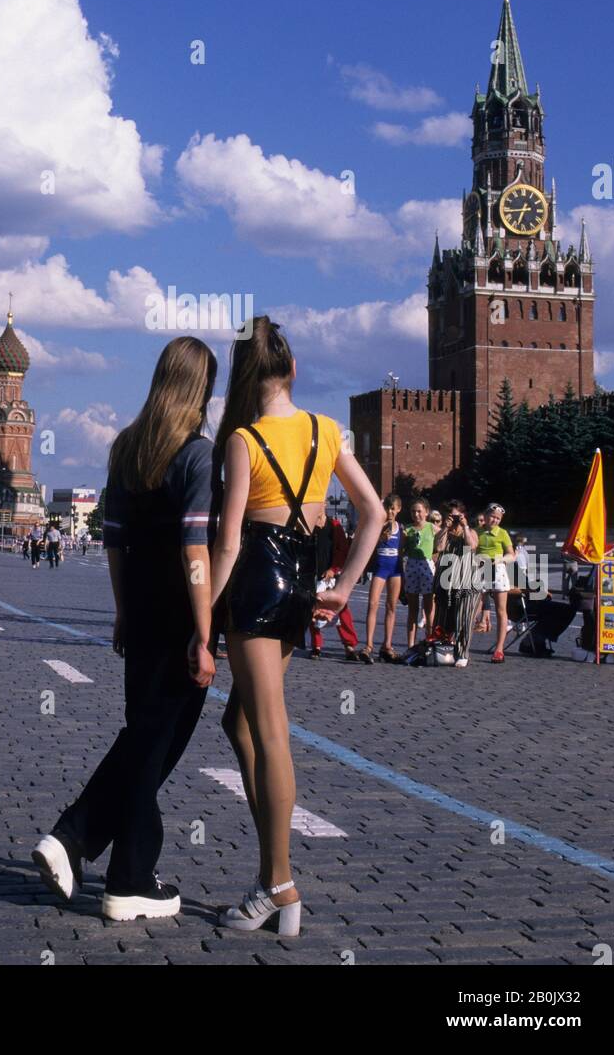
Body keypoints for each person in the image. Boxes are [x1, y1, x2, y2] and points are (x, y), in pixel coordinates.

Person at [32, 337, 219, 922]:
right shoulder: (198, 454)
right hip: (178, 613)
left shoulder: (126, 448)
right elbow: (195, 547)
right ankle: (109, 861)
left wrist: (120, 609)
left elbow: (113, 542)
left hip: (137, 608)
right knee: (153, 742)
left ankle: (103, 856)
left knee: (144, 733)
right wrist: (205, 630)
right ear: (202, 388)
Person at [210, 317, 383, 935]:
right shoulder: (327, 430)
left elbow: (229, 542)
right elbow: (375, 513)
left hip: (257, 586)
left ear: (244, 375)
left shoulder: (243, 440)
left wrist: (205, 614)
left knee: (271, 729)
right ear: (292, 371)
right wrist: (344, 588)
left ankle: (278, 883)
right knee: (242, 722)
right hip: (303, 587)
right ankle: (272, 871)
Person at [431, 500, 479, 667]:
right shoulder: (443, 532)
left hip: (467, 583)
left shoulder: (471, 531)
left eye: (457, 516)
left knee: (463, 619)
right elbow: (438, 547)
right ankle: (443, 650)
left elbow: (472, 546)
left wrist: (464, 526)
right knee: (443, 619)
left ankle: (463, 653)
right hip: (446, 583)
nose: (455, 519)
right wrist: (445, 527)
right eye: (451, 515)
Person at [309, 510, 359, 661]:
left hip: (330, 575)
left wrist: (334, 569)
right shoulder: (308, 524)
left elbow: (342, 549)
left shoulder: (334, 525)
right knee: (312, 610)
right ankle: (316, 645)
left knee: (342, 610)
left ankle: (349, 645)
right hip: (312, 573)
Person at [360, 493, 404, 663]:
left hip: (395, 570)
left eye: (393, 509)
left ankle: (387, 645)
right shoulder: (378, 525)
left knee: (391, 606)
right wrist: (379, 537)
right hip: (380, 569)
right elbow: (366, 542)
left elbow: (403, 549)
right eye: (388, 508)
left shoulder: (401, 528)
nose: (390, 512)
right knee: (372, 604)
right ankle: (369, 645)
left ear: (399, 509)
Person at [477, 502, 515, 664]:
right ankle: (462, 643)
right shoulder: (477, 532)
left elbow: (511, 554)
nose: (494, 520)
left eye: (498, 518)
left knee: (501, 610)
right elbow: (470, 549)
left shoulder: (503, 533)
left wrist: (500, 560)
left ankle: (499, 649)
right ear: (485, 517)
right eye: (492, 516)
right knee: (474, 608)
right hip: (480, 569)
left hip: (498, 569)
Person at [403, 498, 436, 647]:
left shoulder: (432, 528)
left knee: (429, 608)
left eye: (419, 511)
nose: (416, 514)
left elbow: (442, 545)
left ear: (426, 512)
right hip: (411, 566)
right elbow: (401, 549)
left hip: (427, 565)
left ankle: (430, 640)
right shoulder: (407, 529)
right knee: (413, 608)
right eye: (413, 511)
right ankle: (411, 644)